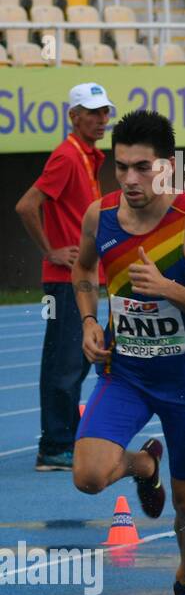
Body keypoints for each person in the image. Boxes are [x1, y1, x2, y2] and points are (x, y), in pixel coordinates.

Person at [70, 109, 185, 595]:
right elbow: (81, 271)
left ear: (169, 166)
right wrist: (89, 321)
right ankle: (144, 465)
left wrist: (170, 290)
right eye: (121, 169)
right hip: (127, 374)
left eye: (143, 168)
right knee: (89, 476)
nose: (131, 181)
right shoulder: (101, 215)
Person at [14, 83, 112, 471]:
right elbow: (26, 206)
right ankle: (55, 445)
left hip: (76, 278)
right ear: (73, 116)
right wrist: (50, 251)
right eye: (93, 111)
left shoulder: (87, 157)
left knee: (74, 358)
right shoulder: (67, 157)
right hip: (62, 279)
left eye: (105, 111)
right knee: (65, 360)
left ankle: (63, 438)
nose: (102, 118)